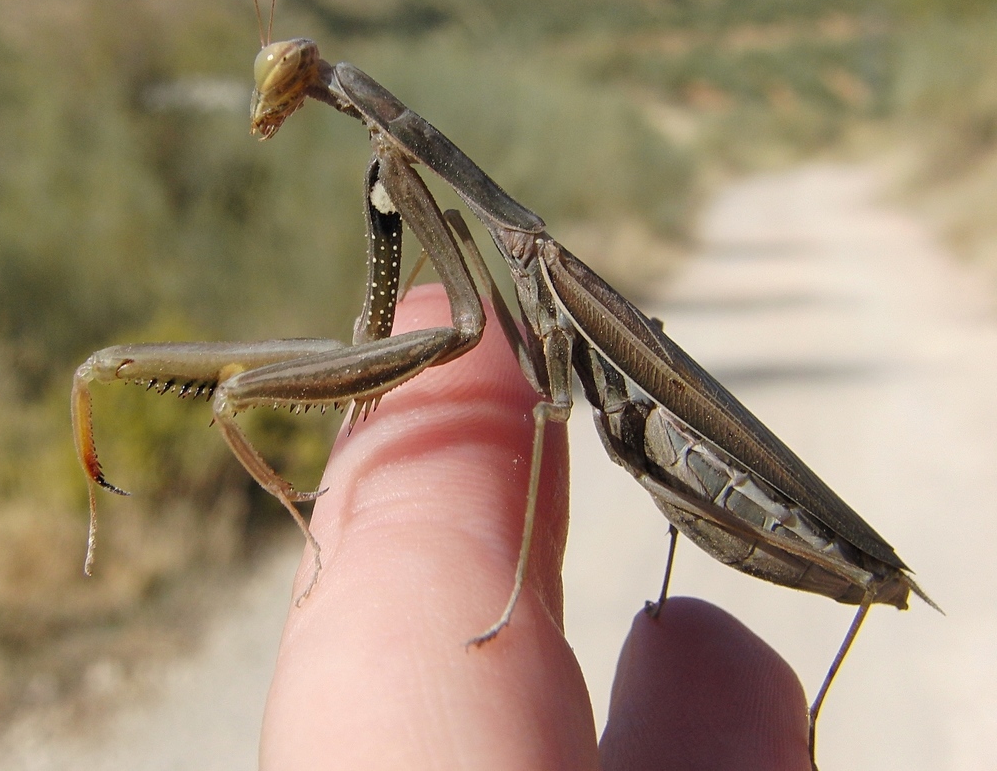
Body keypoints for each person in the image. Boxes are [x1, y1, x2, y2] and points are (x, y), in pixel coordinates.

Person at [261, 285, 811, 770]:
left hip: (704, 462)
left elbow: (555, 403)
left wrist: (511, 595)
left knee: (551, 412)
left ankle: (515, 592)